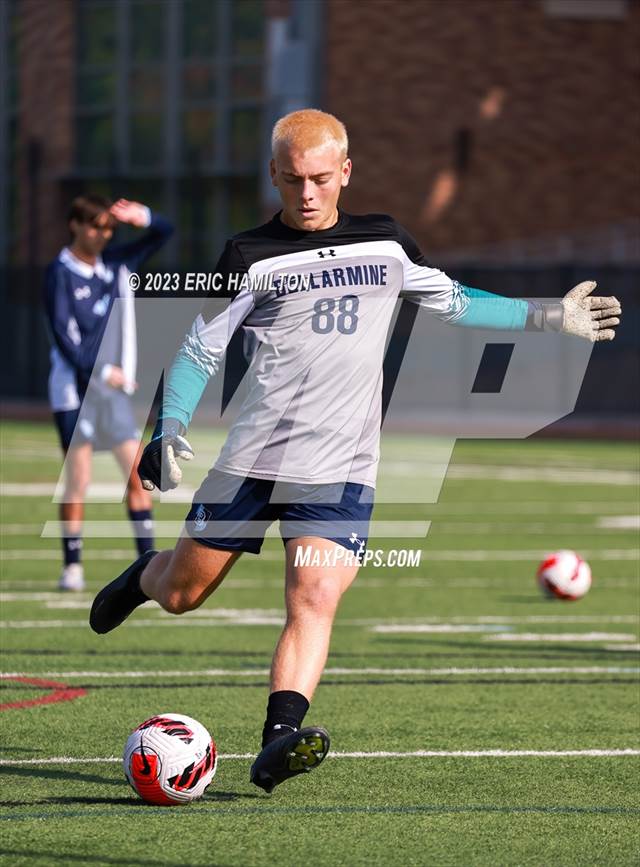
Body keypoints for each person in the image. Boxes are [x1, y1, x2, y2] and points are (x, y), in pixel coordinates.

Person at [89, 110, 621, 793]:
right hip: (251, 462)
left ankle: (278, 738)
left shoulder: (388, 243)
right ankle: (144, 576)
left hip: (340, 468)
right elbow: (199, 349)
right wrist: (168, 428)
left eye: (318, 178)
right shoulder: (248, 254)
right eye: (291, 180)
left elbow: (454, 302)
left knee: (313, 594)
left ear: (345, 171)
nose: (306, 194)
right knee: (184, 593)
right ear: (273, 175)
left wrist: (549, 315)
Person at [45, 195, 173, 591]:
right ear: (75, 226)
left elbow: (165, 231)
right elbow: (68, 344)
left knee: (135, 476)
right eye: (95, 227)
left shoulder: (116, 265)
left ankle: (146, 564)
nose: (102, 235)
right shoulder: (59, 273)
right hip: (75, 392)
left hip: (113, 392)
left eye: (108, 229)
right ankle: (72, 567)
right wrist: (103, 370)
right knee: (78, 478)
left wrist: (144, 215)